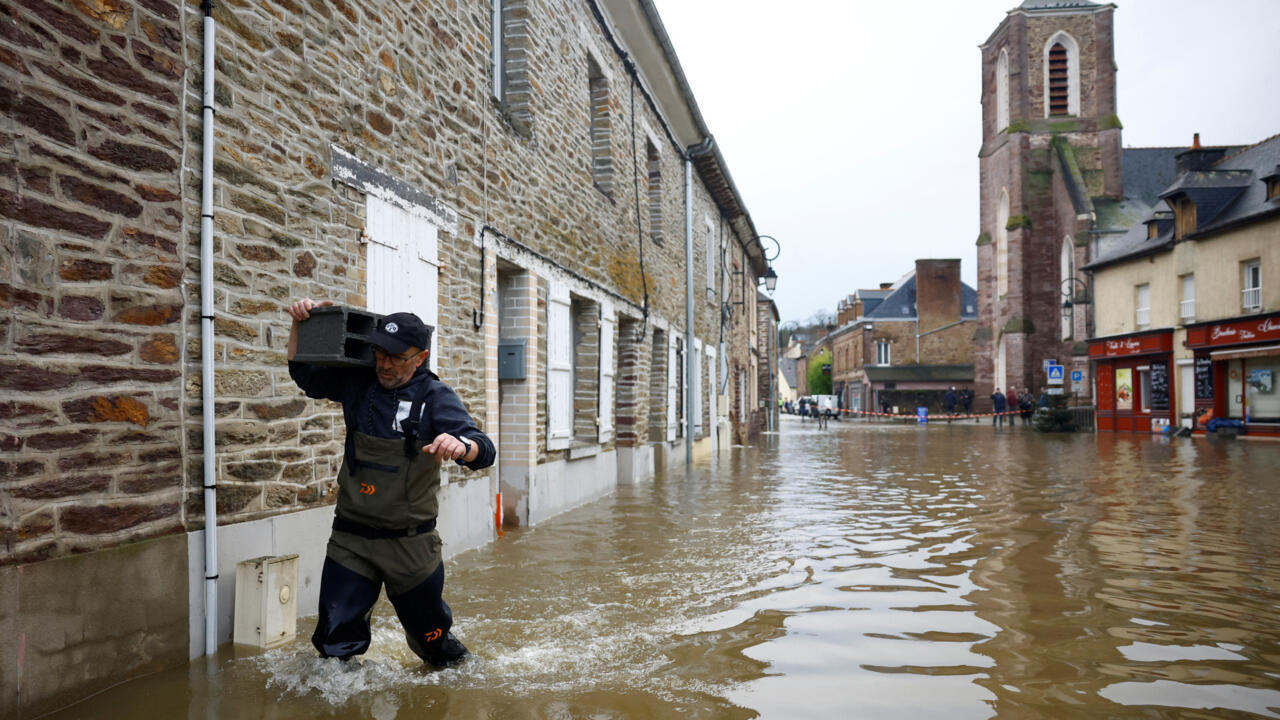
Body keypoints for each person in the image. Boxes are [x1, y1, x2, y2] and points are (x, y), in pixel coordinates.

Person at [286, 299, 495, 668]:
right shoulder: (358, 383)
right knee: (333, 650)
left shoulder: (435, 397)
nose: (385, 364)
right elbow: (303, 373)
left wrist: (462, 446)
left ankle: (464, 675)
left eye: (397, 358)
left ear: (421, 357)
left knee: (434, 647)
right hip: (351, 540)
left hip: (410, 546)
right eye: (380, 354)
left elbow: (485, 451)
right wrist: (301, 323)